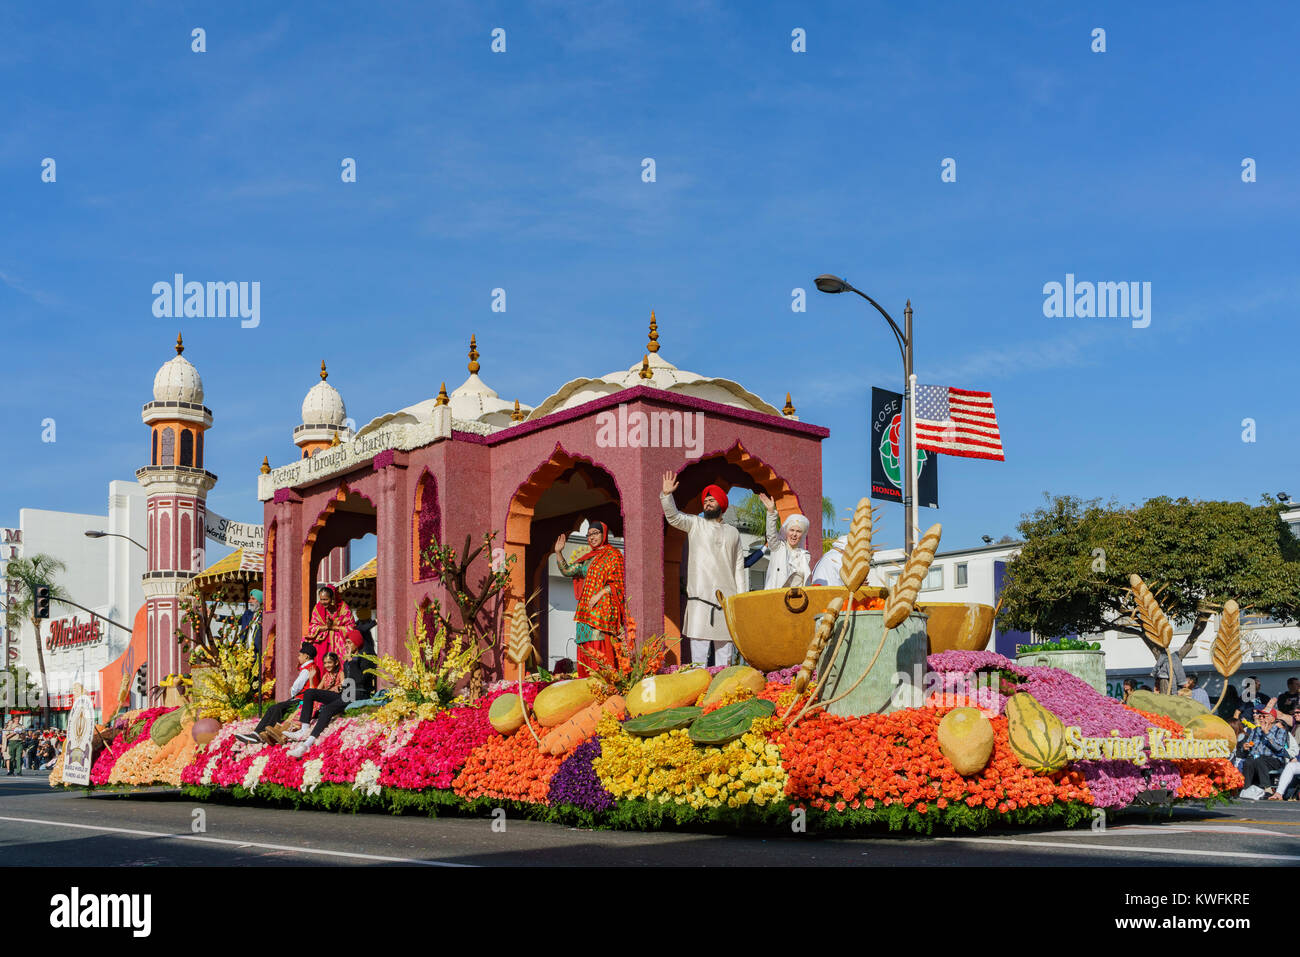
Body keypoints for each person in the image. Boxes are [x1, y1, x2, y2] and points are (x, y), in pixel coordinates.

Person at [660, 474, 745, 668]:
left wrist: (740, 600)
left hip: (727, 603)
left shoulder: (733, 532)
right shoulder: (695, 524)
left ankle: (722, 696)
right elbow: (673, 517)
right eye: (705, 501)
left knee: (725, 662)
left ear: (721, 504)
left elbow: (739, 568)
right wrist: (666, 495)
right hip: (700, 601)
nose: (707, 503)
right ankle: (699, 697)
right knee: (698, 663)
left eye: (711, 500)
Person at [553, 520, 626, 677]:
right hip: (585, 612)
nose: (591, 537)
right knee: (584, 645)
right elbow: (567, 571)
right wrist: (559, 553)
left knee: (600, 647)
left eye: (595, 533)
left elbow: (619, 584)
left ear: (603, 534)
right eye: (589, 534)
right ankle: (586, 687)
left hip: (603, 611)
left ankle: (605, 685)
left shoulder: (614, 555)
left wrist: (600, 594)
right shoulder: (587, 559)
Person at [234, 643, 320, 744]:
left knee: (277, 708)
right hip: (302, 698)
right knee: (274, 708)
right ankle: (257, 734)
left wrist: (292, 690)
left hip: (301, 700)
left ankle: (260, 734)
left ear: (306, 656)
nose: (298, 657)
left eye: (299, 655)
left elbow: (296, 687)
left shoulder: (307, 669)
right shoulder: (313, 667)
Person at [285, 652, 347, 757]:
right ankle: (303, 728)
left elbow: (344, 686)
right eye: (325, 663)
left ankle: (303, 733)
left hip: (338, 698)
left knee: (318, 702)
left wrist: (337, 687)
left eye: (330, 662)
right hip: (327, 699)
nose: (327, 665)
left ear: (336, 663)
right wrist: (311, 678)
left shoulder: (341, 673)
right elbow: (316, 691)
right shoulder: (326, 676)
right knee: (309, 693)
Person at [758, 493, 811, 590]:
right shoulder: (778, 547)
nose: (794, 534)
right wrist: (771, 512)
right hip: (777, 597)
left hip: (798, 601)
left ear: (802, 535)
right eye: (792, 530)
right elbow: (771, 534)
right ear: (786, 532)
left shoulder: (804, 555)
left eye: (798, 531)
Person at [306, 584, 357, 676]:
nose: (323, 602)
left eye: (325, 599)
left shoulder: (343, 608)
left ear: (332, 598)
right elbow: (312, 626)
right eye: (321, 599)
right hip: (322, 642)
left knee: (340, 664)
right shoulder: (318, 608)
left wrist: (334, 627)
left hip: (339, 642)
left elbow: (351, 627)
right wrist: (325, 627)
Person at [1239, 708, 1291, 796]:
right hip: (1255, 758)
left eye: (1264, 716)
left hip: (1273, 759)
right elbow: (1247, 747)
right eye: (1260, 716)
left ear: (1272, 719)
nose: (1261, 718)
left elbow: (1278, 748)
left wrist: (1267, 733)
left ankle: (1267, 788)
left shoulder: (1280, 731)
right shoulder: (1256, 730)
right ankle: (1245, 789)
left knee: (1259, 759)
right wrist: (1245, 747)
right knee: (1248, 762)